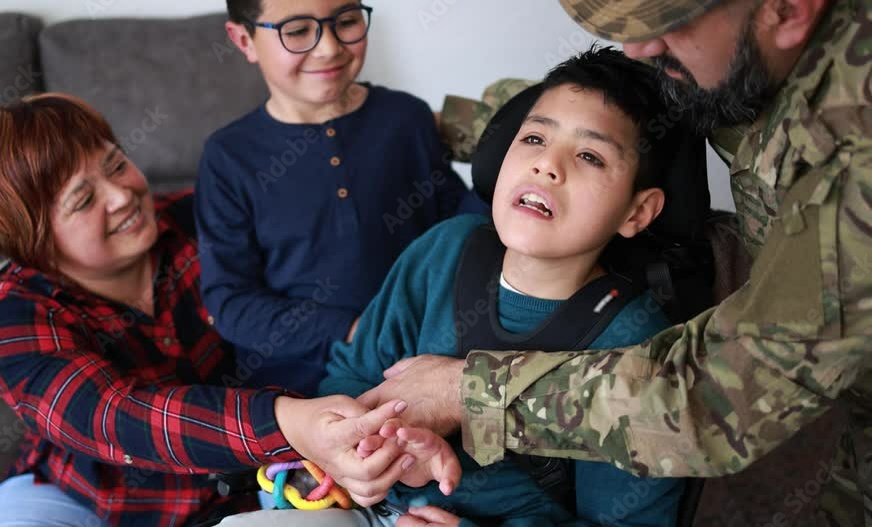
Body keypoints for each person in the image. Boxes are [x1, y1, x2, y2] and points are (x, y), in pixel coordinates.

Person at [360, 0, 872, 525]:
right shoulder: (446, 253)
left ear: (787, 11)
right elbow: (598, 109)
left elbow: (716, 398)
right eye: (532, 139)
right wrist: (414, 125)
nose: (638, 50)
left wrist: (467, 392)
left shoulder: (859, 158)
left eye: (668, 25)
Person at [219, 46, 689, 527]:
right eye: (533, 138)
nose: (548, 164)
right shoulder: (446, 250)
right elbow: (352, 372)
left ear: (638, 211)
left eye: (589, 155)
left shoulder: (635, 342)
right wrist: (360, 445)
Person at [0, 93, 457, 527]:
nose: (121, 196)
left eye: (115, 165)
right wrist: (288, 423)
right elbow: (117, 415)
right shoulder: (10, 312)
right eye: (83, 199)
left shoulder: (204, 219)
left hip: (240, 488)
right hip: (79, 494)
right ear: (37, 240)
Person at [196, 0, 478, 396]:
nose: (329, 47)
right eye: (297, 31)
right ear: (243, 40)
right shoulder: (228, 156)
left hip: (423, 359)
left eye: (346, 22)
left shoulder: (405, 117)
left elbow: (457, 229)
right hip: (300, 386)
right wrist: (355, 328)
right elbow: (232, 303)